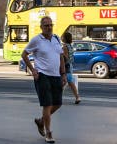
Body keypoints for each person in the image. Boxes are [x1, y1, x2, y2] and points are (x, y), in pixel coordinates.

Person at [21, 16, 65, 144]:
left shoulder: (56, 38)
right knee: (47, 104)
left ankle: (41, 121)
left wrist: (63, 74)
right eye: (46, 25)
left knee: (58, 103)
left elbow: (61, 56)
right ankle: (48, 132)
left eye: (51, 25)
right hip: (42, 75)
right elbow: (24, 55)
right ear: (41, 27)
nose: (49, 27)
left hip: (56, 75)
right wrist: (33, 70)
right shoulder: (36, 40)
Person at [61, 32, 81, 104]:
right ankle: (58, 97)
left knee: (68, 81)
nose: (61, 38)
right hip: (70, 65)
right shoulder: (70, 46)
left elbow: (65, 57)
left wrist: (61, 54)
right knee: (66, 82)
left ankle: (77, 97)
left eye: (62, 37)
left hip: (66, 66)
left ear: (65, 38)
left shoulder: (65, 47)